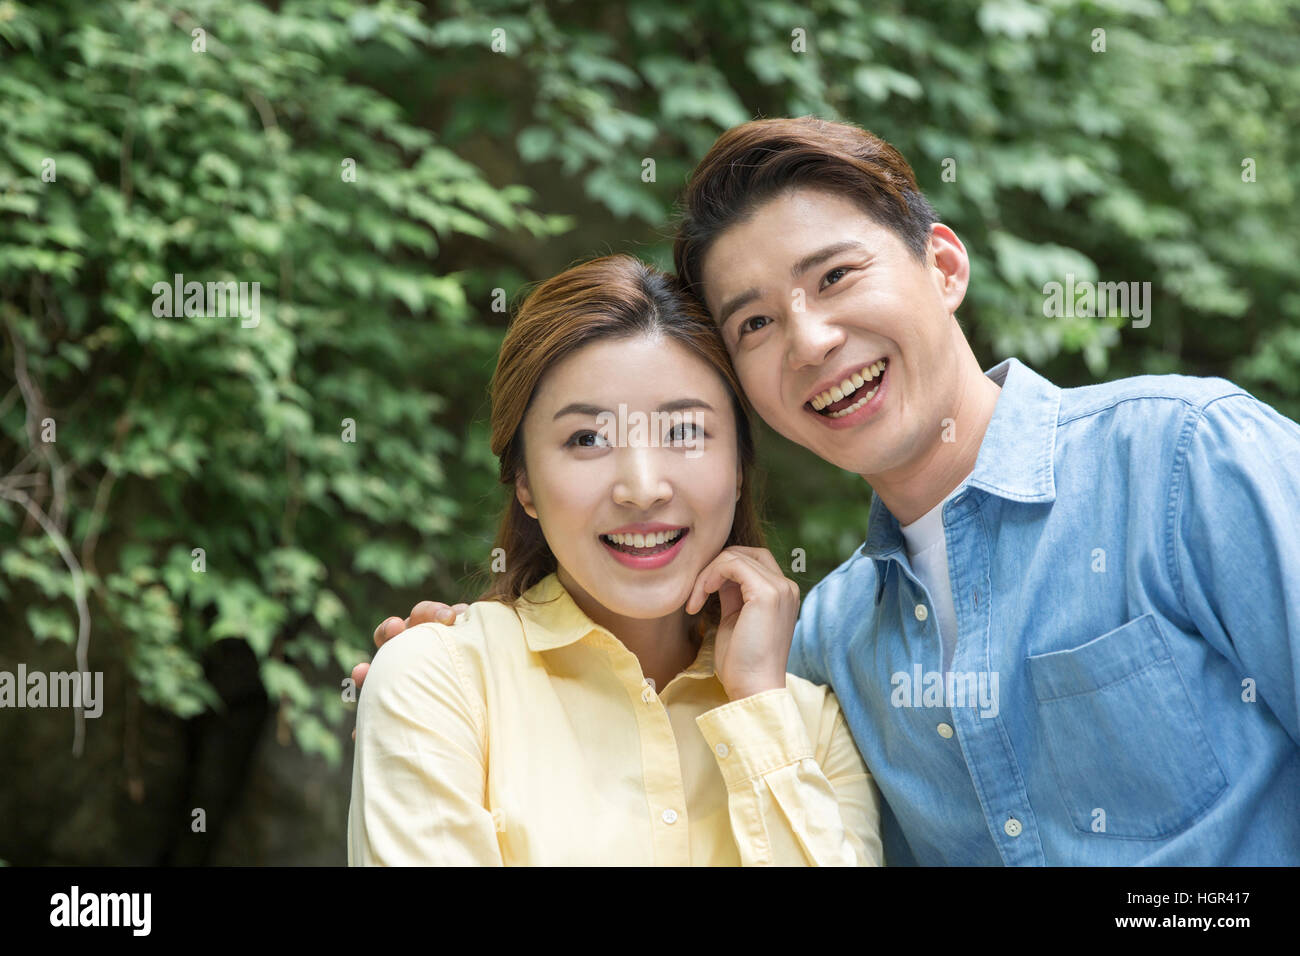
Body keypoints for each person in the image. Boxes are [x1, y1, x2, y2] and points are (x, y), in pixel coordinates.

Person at [361, 117, 1300, 865]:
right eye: (758, 321)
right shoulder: (827, 647)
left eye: (838, 276)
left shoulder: (1187, 459)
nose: (810, 341)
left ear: (943, 265)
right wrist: (472, 665)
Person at [347, 254, 883, 866]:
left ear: (737, 468)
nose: (642, 487)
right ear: (524, 482)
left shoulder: (810, 727)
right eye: (588, 440)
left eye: (683, 432)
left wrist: (760, 714)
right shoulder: (438, 684)